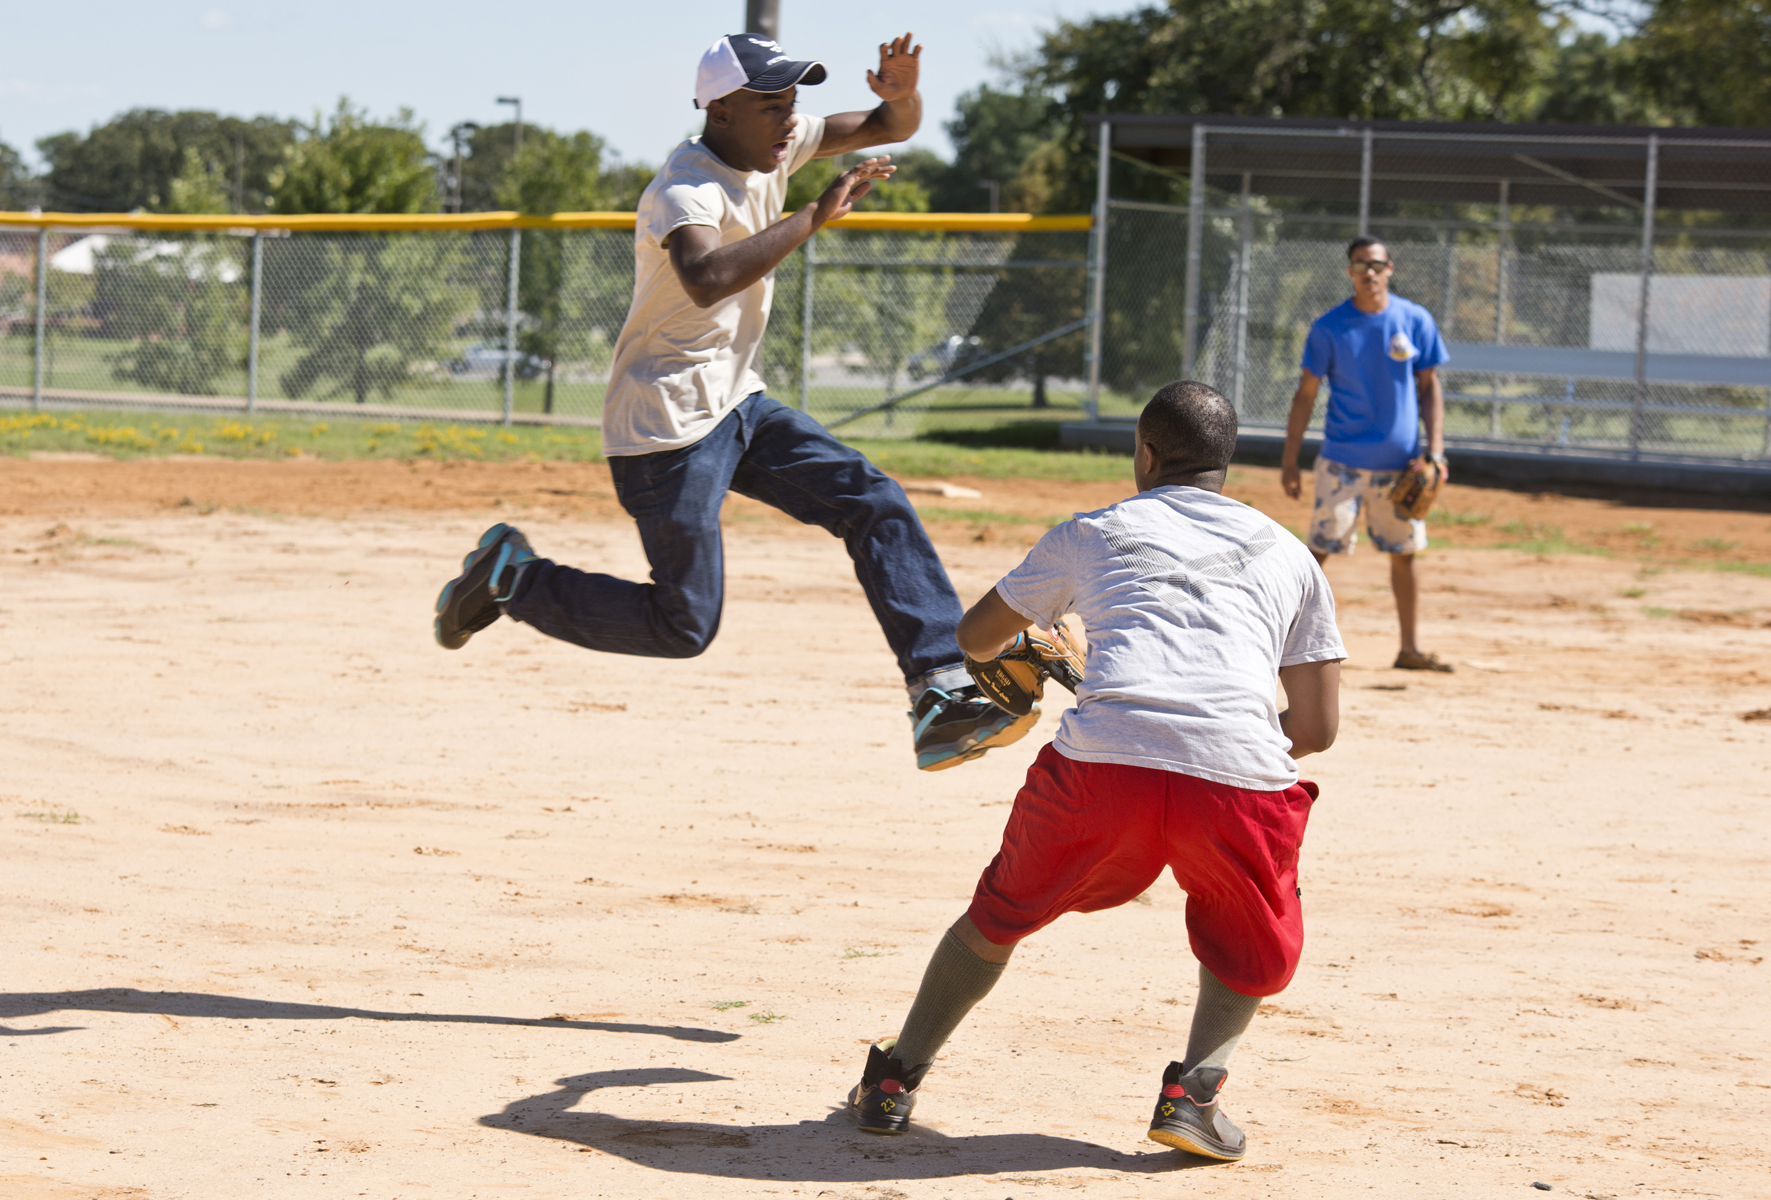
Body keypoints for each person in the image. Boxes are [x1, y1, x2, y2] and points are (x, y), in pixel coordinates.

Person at [433, 32, 1032, 771]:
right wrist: (813, 216)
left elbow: (888, 127)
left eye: (793, 103)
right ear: (720, 110)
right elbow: (707, 276)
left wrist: (900, 93)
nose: (790, 120)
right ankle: (514, 578)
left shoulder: (777, 146)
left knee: (871, 498)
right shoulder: (684, 186)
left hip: (738, 405)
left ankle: (938, 687)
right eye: (770, 105)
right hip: (665, 430)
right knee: (684, 625)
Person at [843, 381, 1344, 1161]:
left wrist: (1046, 646)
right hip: (1241, 777)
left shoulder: (1093, 531)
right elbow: (1315, 729)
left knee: (1000, 912)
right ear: (1227, 462)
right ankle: (1193, 1098)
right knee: (1252, 923)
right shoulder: (1290, 555)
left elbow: (973, 638)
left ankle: (893, 1082)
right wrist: (1220, 735)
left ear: (1145, 454)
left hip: (1102, 768)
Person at [1281, 234, 1453, 672]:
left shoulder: (1414, 319)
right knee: (1318, 552)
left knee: (1404, 553)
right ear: (1349, 272)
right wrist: (1290, 459)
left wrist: (1435, 451)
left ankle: (1409, 649)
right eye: (1360, 265)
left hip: (1400, 466)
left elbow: (1430, 387)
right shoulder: (1330, 327)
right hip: (1341, 463)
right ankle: (1278, 641)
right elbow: (1305, 395)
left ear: (1390, 269)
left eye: (1376, 265)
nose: (1369, 273)